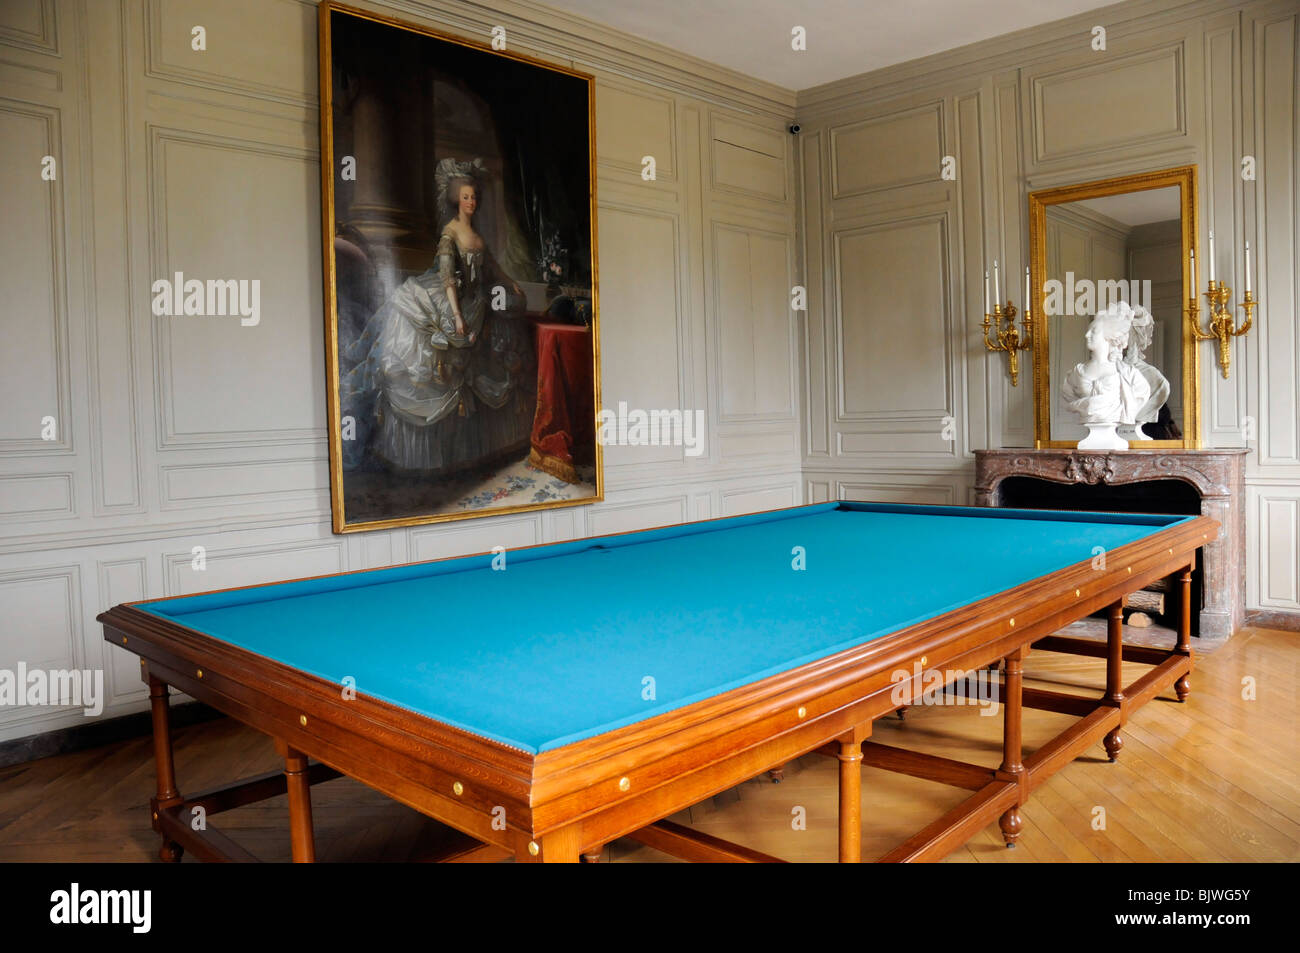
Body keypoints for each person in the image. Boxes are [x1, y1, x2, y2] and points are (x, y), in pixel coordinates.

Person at [341, 157, 533, 474]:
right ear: (457, 198)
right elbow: (447, 279)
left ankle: (476, 450)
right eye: (466, 196)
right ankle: (427, 457)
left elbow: (491, 268)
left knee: (498, 333)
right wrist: (456, 316)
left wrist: (509, 282)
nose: (471, 202)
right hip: (449, 299)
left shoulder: (476, 235)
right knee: (433, 361)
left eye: (474, 197)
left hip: (476, 298)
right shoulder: (450, 233)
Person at [1061, 302, 1151, 449]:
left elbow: (1141, 395)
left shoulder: (1128, 374)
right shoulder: (1077, 372)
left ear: (1109, 336)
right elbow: (1067, 397)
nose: (1086, 335)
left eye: (1094, 331)